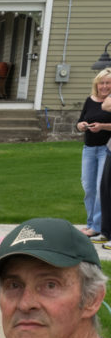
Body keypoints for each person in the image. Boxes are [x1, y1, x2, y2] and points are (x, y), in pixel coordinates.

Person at [76, 68, 111, 239]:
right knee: (88, 188)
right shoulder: (89, 101)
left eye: (108, 83)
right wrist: (81, 125)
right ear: (96, 85)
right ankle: (91, 223)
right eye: (101, 83)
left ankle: (97, 226)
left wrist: (102, 126)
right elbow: (79, 121)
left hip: (106, 149)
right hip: (89, 149)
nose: (104, 86)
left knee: (100, 188)